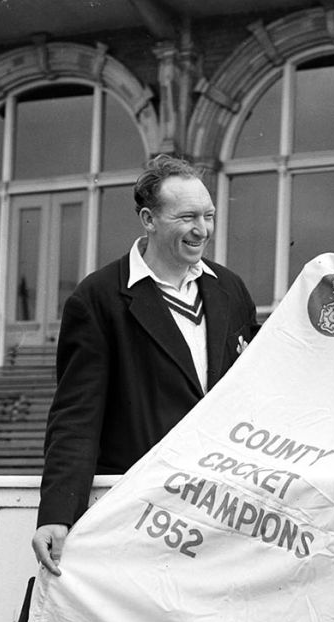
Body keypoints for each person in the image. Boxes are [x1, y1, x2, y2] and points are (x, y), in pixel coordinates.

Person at [32, 155, 258, 573]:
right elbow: (76, 417)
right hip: (144, 518)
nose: (202, 230)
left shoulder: (230, 288)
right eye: (187, 217)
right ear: (148, 219)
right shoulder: (98, 298)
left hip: (223, 516)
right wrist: (57, 513)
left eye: (208, 216)